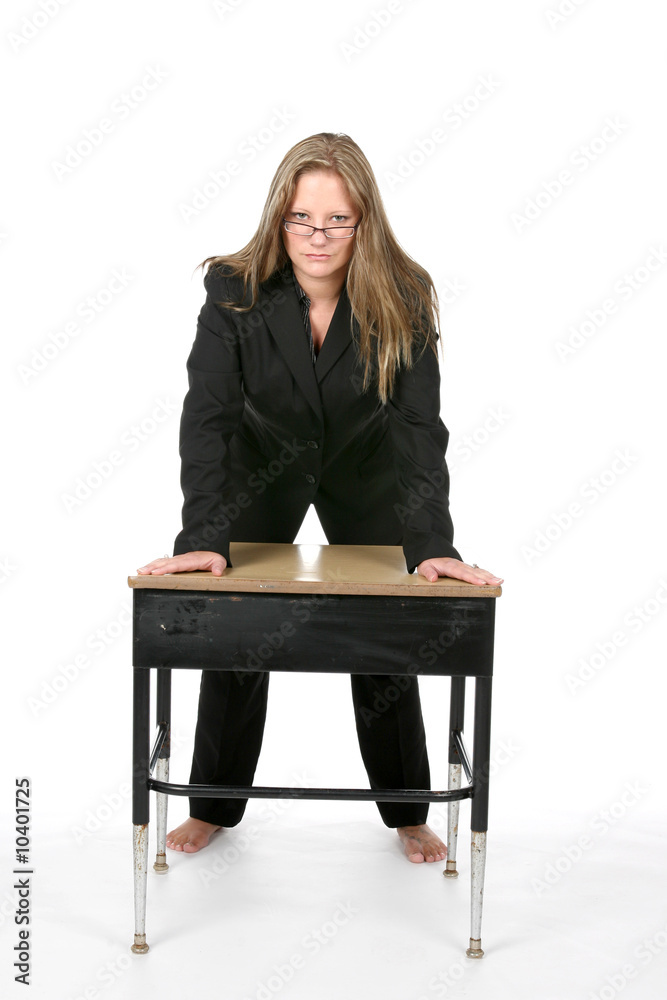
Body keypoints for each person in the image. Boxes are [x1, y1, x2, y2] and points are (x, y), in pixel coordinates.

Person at [137, 132, 503, 864]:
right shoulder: (232, 292)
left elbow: (417, 428)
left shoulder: (404, 295)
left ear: (364, 221)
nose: (318, 235)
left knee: (388, 635)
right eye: (303, 217)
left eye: (338, 220)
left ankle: (407, 810)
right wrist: (202, 536)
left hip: (365, 467)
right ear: (280, 216)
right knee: (235, 625)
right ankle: (212, 806)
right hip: (262, 462)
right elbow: (206, 417)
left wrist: (432, 547)